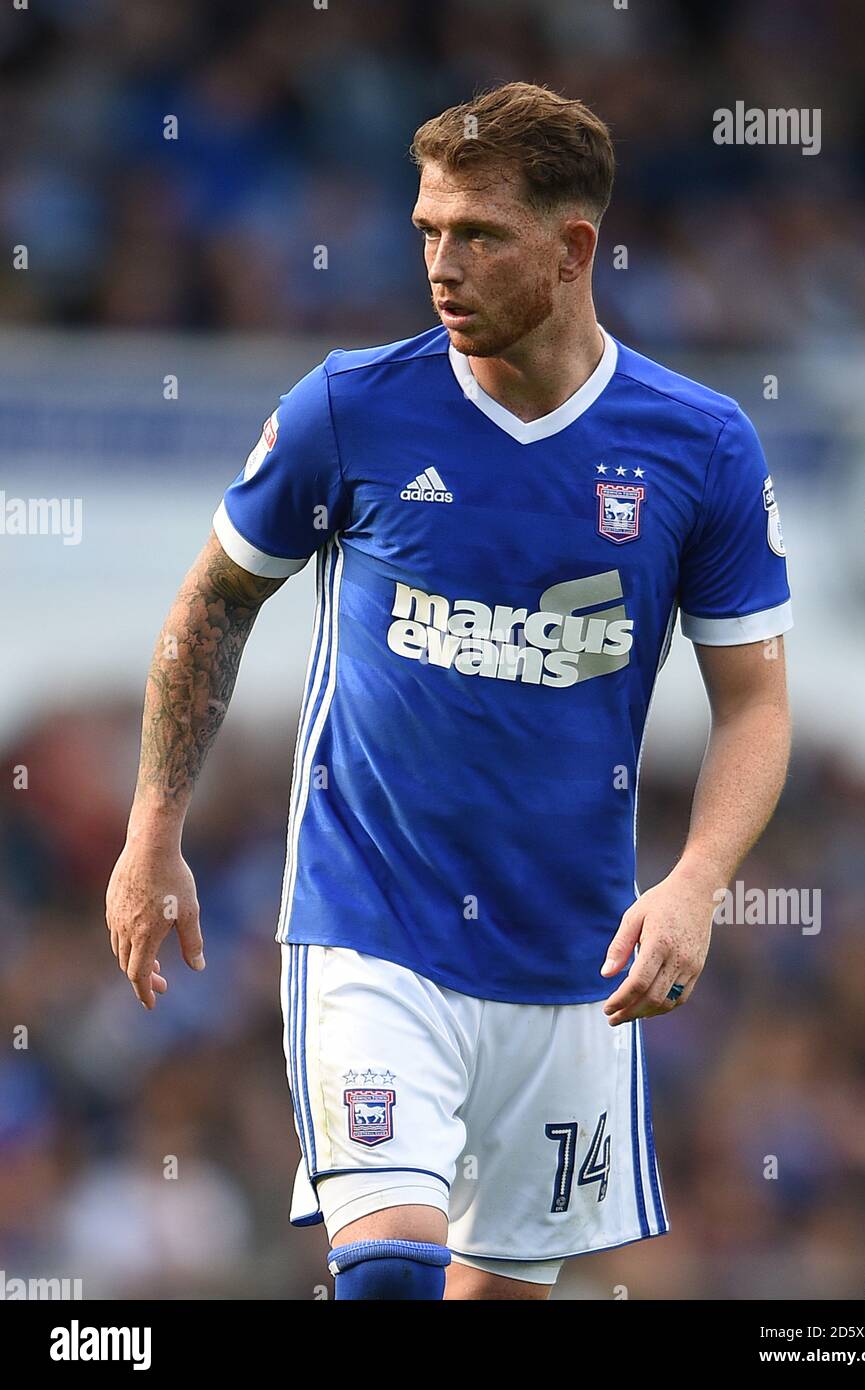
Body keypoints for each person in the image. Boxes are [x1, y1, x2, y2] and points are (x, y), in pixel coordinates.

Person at [105, 82, 793, 1301]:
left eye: (475, 234)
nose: (439, 261)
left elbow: (751, 702)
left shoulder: (701, 445)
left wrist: (693, 885)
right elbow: (213, 600)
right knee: (389, 1270)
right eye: (427, 229)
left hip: (573, 958)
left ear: (572, 248)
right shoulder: (352, 407)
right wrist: (152, 828)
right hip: (371, 924)